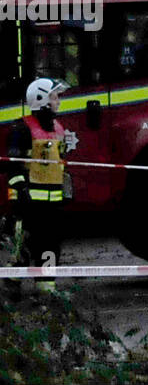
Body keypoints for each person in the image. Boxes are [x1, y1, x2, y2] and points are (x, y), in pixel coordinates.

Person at [6, 77, 68, 291]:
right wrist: (21, 190)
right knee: (24, 245)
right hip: (29, 202)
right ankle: (12, 284)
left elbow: (60, 164)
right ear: (41, 99)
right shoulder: (22, 129)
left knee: (51, 246)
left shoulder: (58, 129)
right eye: (54, 96)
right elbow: (12, 166)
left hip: (54, 202)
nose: (58, 101)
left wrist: (67, 190)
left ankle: (47, 288)